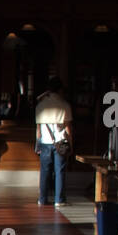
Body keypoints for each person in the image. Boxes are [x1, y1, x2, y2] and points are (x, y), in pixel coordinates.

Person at [34, 77, 72, 207]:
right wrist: (70, 144)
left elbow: (38, 129)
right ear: (60, 90)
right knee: (60, 171)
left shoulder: (40, 105)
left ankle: (42, 199)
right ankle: (59, 200)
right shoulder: (65, 105)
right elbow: (68, 128)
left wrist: (37, 143)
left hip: (45, 140)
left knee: (45, 171)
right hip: (60, 141)